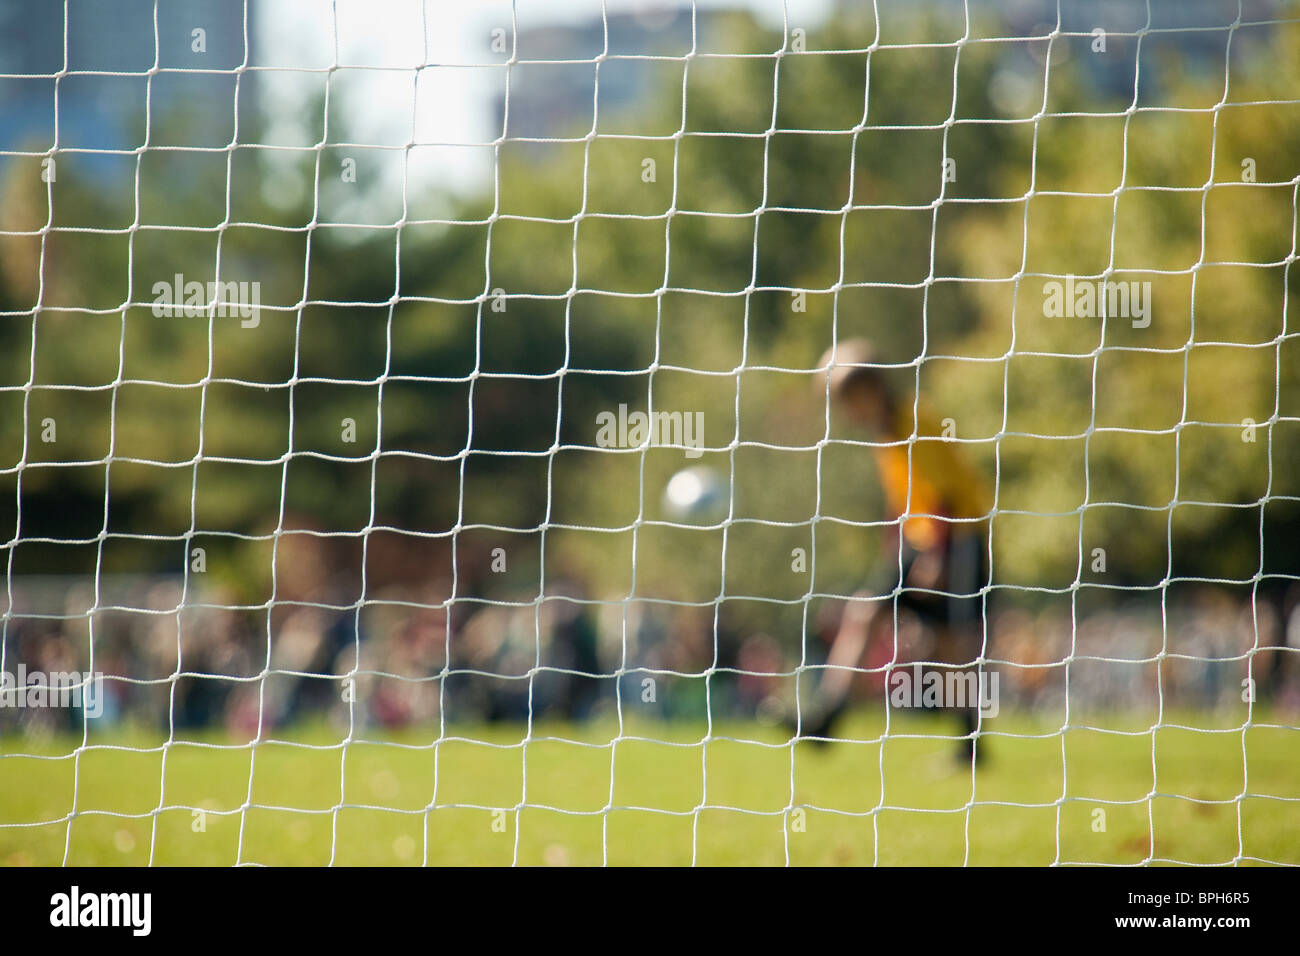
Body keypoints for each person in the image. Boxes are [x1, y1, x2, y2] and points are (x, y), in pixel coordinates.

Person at [800, 339, 993, 764]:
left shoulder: (915, 418)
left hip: (955, 539)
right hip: (918, 540)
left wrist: (935, 558)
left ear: (869, 391)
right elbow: (905, 500)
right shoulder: (884, 433)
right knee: (864, 612)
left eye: (845, 401)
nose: (845, 413)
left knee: (950, 642)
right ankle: (826, 719)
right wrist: (897, 547)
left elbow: (944, 495)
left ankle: (971, 744)